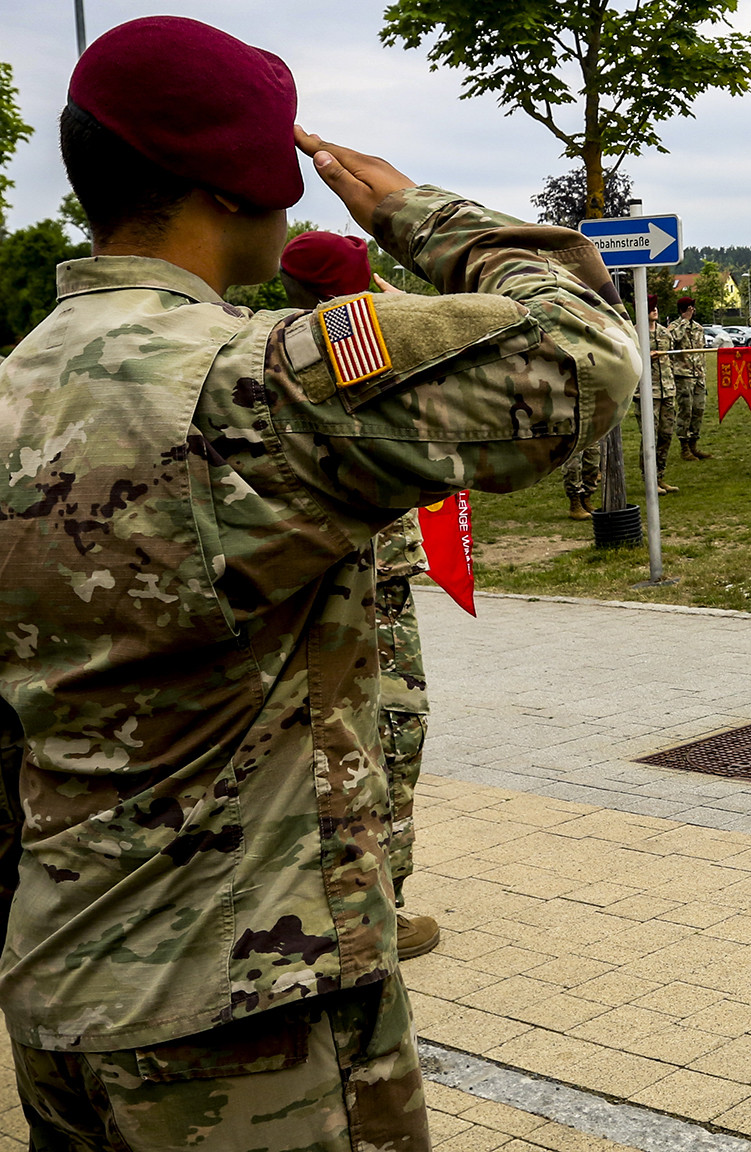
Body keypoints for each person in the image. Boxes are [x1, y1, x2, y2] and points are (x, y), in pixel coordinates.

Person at [0, 16, 638, 1150]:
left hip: (57, 992)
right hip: (248, 1011)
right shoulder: (253, 385)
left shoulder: (16, 387)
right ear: (238, 183)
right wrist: (412, 209)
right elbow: (583, 352)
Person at [278, 229, 440, 961]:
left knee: (318, 738)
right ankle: (380, 912)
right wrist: (382, 301)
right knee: (389, 735)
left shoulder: (276, 342)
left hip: (306, 569)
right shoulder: (346, 339)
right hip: (369, 572)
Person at [671, 295, 711, 466]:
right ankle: (684, 446)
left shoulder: (698, 328)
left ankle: (694, 442)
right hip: (683, 375)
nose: (692, 311)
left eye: (693, 308)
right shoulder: (675, 326)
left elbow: (701, 351)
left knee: (699, 409)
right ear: (682, 310)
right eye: (688, 308)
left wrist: (702, 372)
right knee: (685, 410)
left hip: (698, 374)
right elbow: (674, 339)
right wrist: (684, 321)